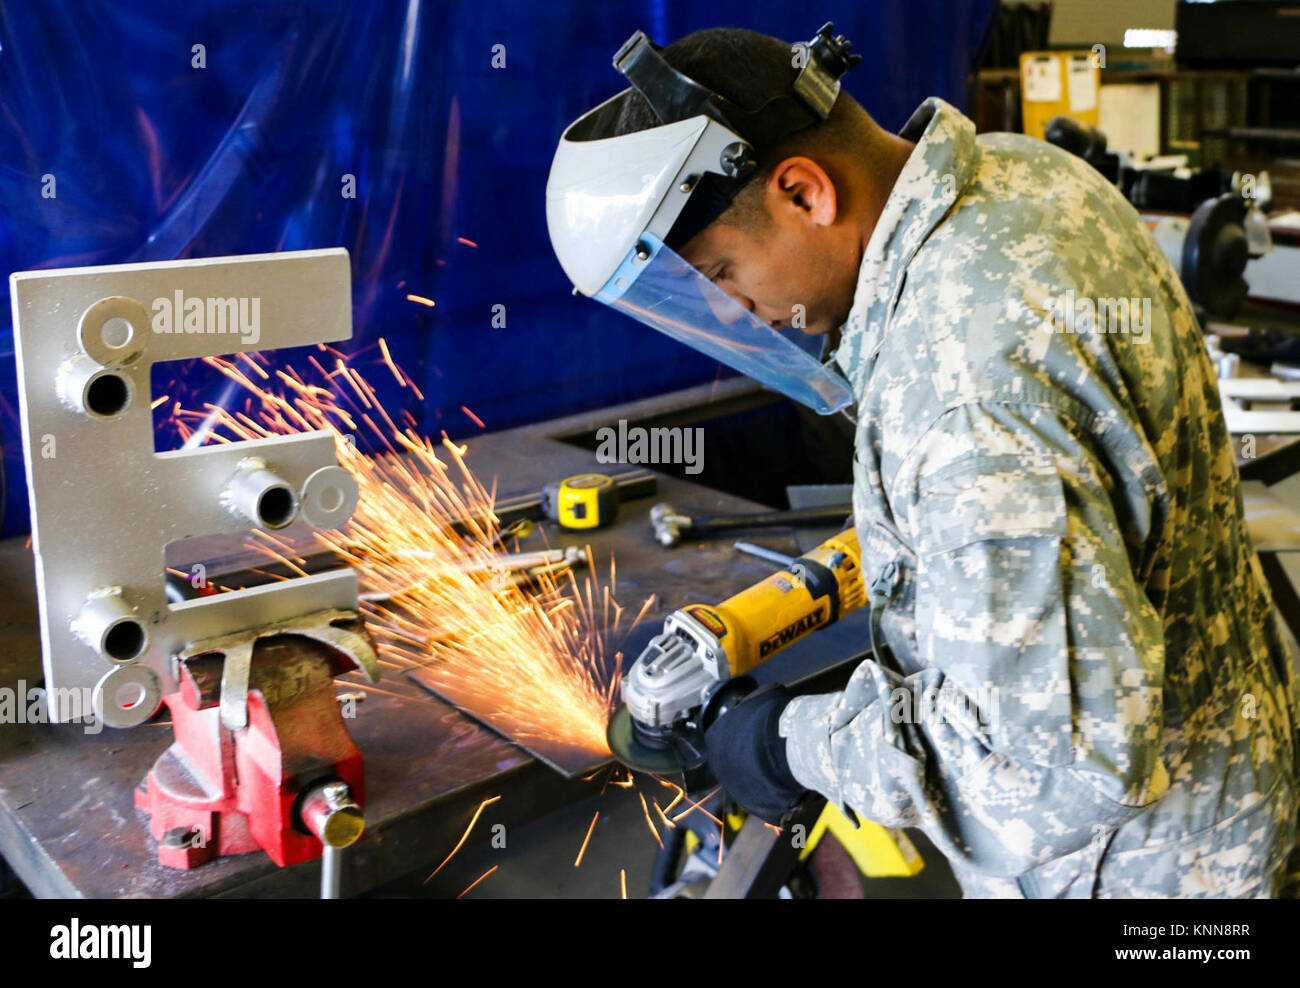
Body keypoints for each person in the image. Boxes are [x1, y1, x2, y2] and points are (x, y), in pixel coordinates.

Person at [545, 24, 1299, 898]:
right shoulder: (1022, 175)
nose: (729, 317)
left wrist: (786, 744)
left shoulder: (962, 381)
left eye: (721, 272)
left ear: (802, 192)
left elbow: (1053, 767)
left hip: (1141, 877)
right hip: (1234, 793)